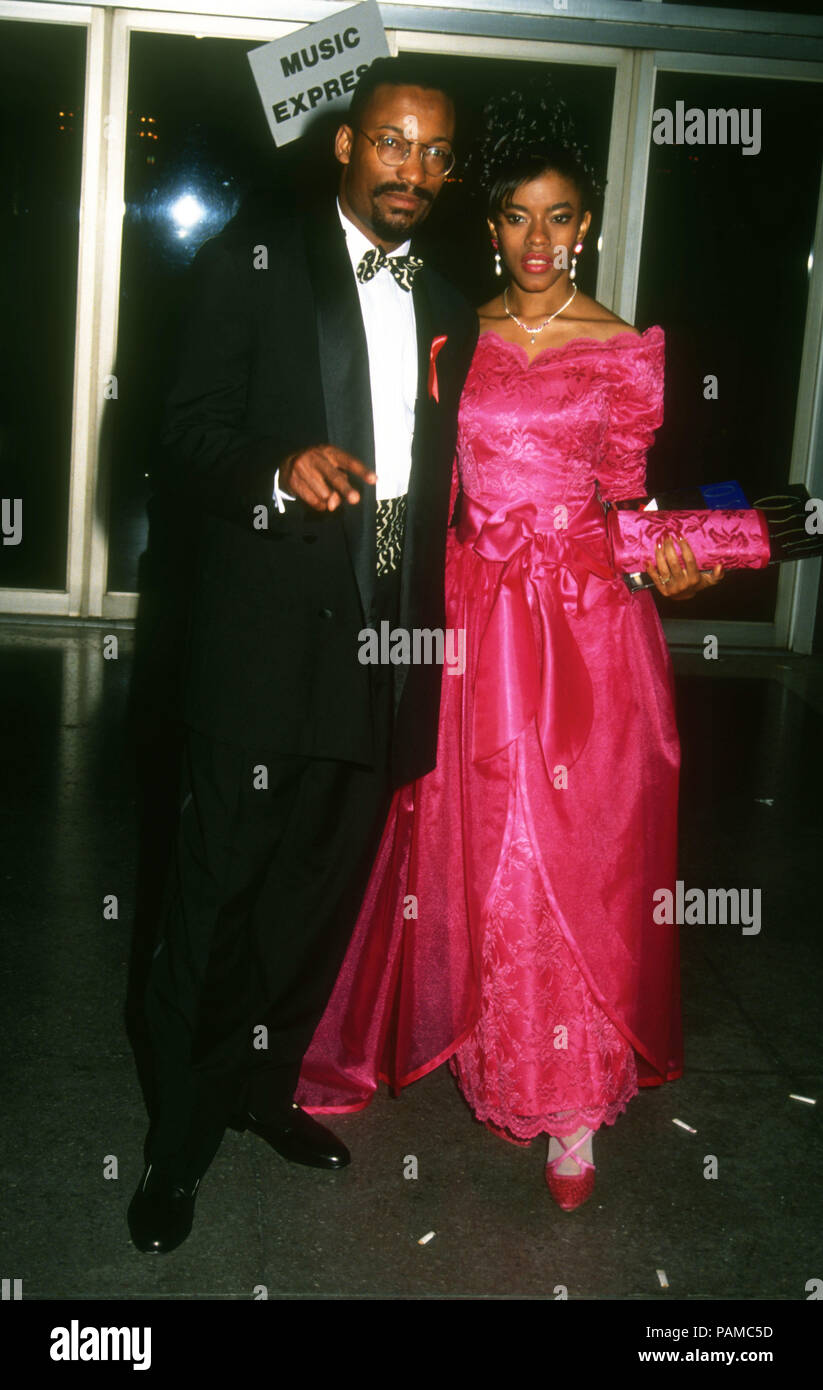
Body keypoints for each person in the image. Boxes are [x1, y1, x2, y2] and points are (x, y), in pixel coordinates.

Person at [295, 84, 724, 1211]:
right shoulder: (453, 331)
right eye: (517, 217)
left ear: (587, 224)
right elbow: (423, 485)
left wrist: (673, 554)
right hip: (470, 614)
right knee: (472, 839)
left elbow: (629, 509)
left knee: (575, 845)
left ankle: (573, 1102)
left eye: (561, 216)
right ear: (488, 227)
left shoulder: (625, 351)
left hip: (584, 626)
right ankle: (491, 1047)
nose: (539, 239)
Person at [128, 55, 478, 1253]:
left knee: (314, 906)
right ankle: (175, 1142)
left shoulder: (446, 303)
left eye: (434, 153)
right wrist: (276, 473)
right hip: (261, 655)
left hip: (383, 656)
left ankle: (261, 1096)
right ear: (345, 141)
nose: (413, 172)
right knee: (214, 901)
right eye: (392, 143)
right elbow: (179, 434)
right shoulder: (248, 260)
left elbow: (447, 492)